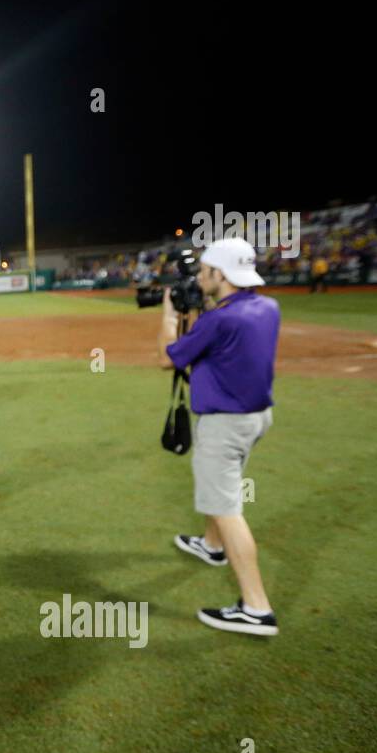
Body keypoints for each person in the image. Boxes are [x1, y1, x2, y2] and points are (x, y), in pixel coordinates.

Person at [159, 237, 281, 636]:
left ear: (221, 274)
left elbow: (167, 357)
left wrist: (167, 312)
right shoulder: (266, 307)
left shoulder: (219, 319)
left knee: (227, 507)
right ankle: (211, 546)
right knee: (221, 489)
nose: (200, 276)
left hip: (225, 423)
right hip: (257, 417)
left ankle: (256, 608)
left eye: (205, 270)